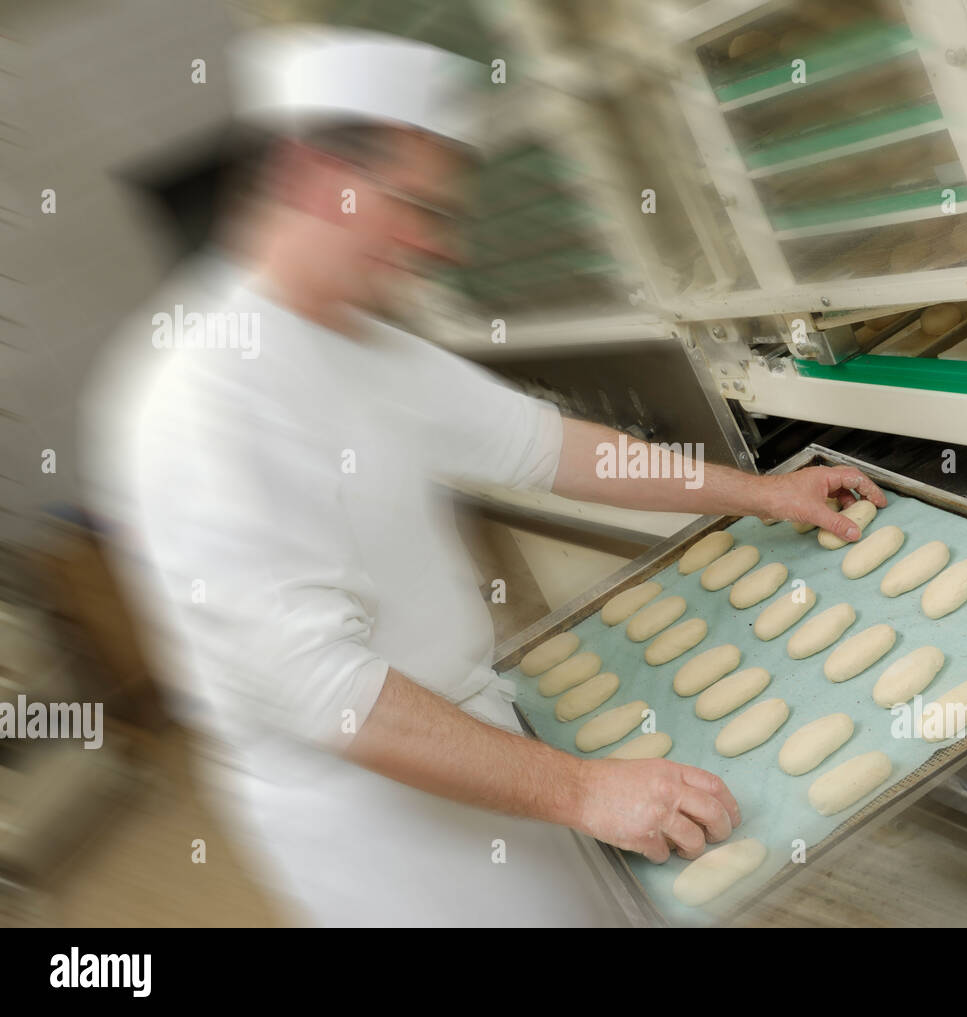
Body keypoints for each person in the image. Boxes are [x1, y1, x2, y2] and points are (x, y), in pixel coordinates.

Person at [80, 26, 886, 926]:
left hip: (478, 752)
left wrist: (762, 492)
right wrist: (583, 790)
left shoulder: (366, 345)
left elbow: (553, 449)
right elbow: (320, 689)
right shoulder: (201, 392)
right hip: (393, 836)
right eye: (416, 207)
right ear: (317, 178)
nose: (438, 246)